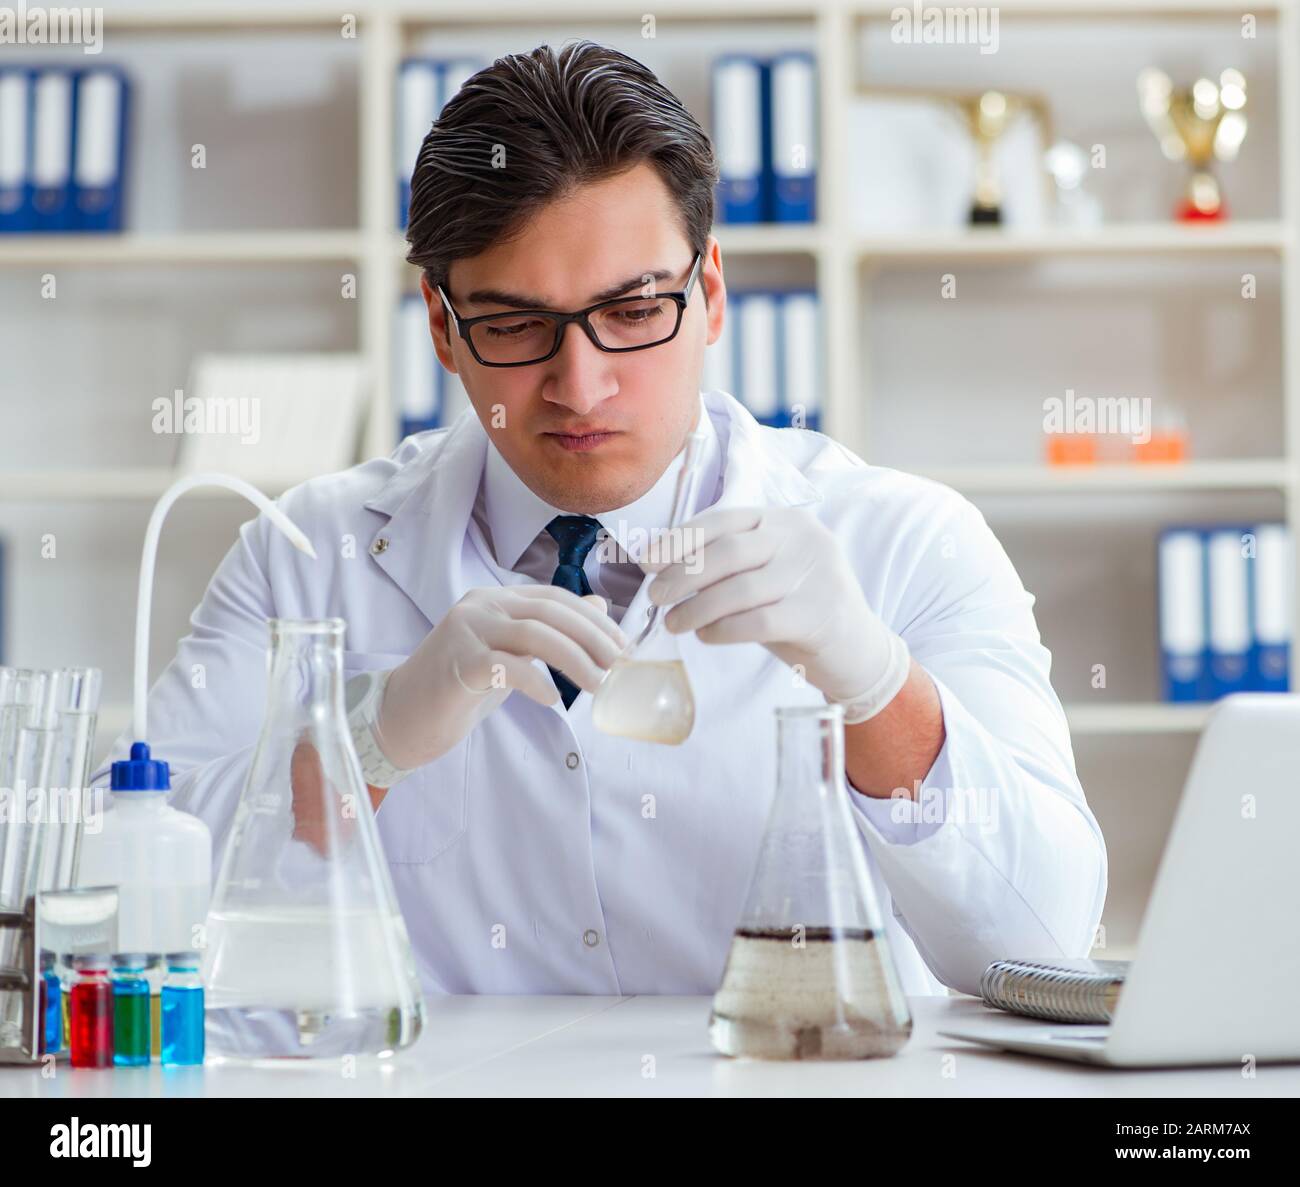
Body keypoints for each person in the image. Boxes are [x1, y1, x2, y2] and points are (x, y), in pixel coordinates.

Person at [95, 41, 1105, 999]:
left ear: (709, 294)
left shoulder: (906, 542)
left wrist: (874, 679)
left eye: (631, 312)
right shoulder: (304, 555)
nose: (579, 385)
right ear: (443, 329)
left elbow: (1043, 942)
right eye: (515, 324)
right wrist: (370, 738)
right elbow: (115, 914)